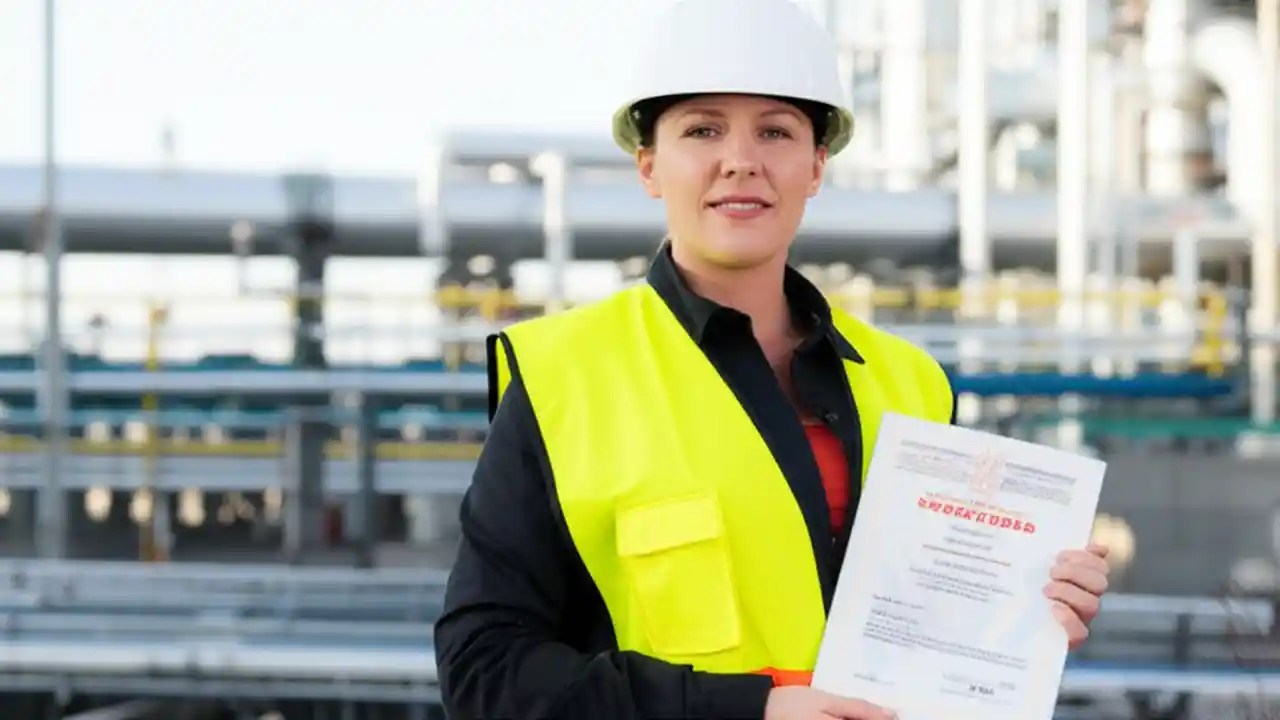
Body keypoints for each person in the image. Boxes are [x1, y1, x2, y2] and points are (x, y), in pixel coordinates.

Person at [433, 0, 1111, 718]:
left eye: (776, 131)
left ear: (817, 166)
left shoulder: (909, 383)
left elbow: (925, 636)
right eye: (702, 129)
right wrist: (750, 711)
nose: (741, 161)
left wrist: (1027, 606)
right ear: (649, 165)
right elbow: (485, 672)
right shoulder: (563, 377)